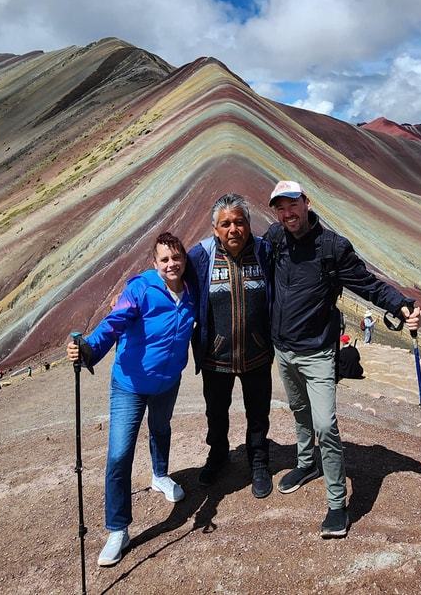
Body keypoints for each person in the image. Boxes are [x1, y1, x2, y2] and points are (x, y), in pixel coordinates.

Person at [265, 180, 421, 539]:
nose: (287, 213)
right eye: (280, 207)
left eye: (292, 205)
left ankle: (337, 504)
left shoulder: (332, 248)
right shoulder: (275, 240)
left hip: (318, 353)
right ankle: (307, 463)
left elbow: (368, 284)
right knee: (298, 411)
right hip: (283, 350)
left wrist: (402, 304)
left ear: (306, 202)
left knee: (324, 425)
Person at [67, 232, 196, 568]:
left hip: (168, 382)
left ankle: (160, 475)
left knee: (161, 428)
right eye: (164, 259)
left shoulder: (191, 292)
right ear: (154, 264)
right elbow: (115, 322)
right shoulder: (140, 288)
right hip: (129, 384)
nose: (171, 264)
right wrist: (90, 348)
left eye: (176, 258)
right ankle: (118, 529)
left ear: (184, 260)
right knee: (120, 453)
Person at [185, 193, 274, 498]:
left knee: (258, 412)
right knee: (216, 412)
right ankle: (218, 454)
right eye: (225, 224)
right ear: (215, 229)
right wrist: (128, 291)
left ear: (248, 224)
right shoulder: (200, 257)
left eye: (239, 222)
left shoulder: (264, 252)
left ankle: (259, 460)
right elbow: (166, 276)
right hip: (216, 356)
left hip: (257, 353)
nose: (233, 229)